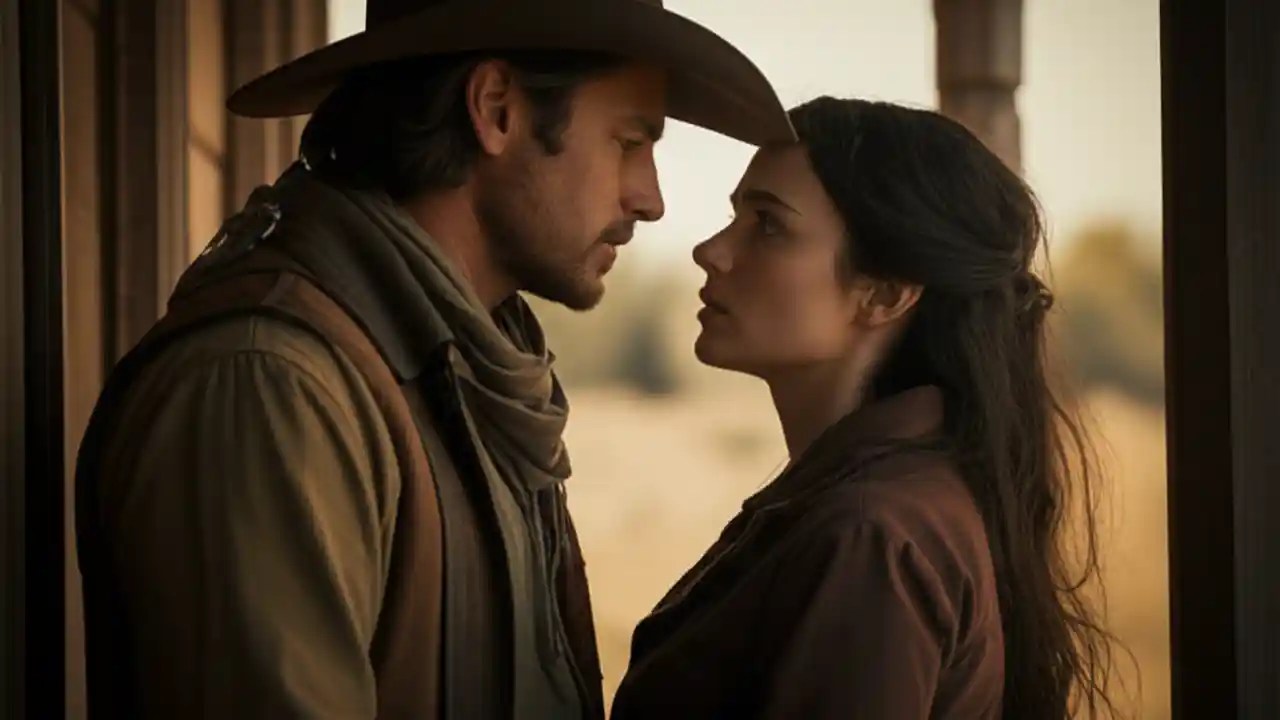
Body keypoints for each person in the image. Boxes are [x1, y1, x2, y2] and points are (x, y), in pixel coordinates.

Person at [73, 1, 793, 718]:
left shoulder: (471, 371)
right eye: (628, 141)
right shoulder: (271, 385)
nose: (652, 198)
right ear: (497, 110)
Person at [611, 97, 1117, 719]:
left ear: (883, 294)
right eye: (734, 216)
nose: (711, 250)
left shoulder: (870, 535)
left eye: (768, 225)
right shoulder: (882, 503)